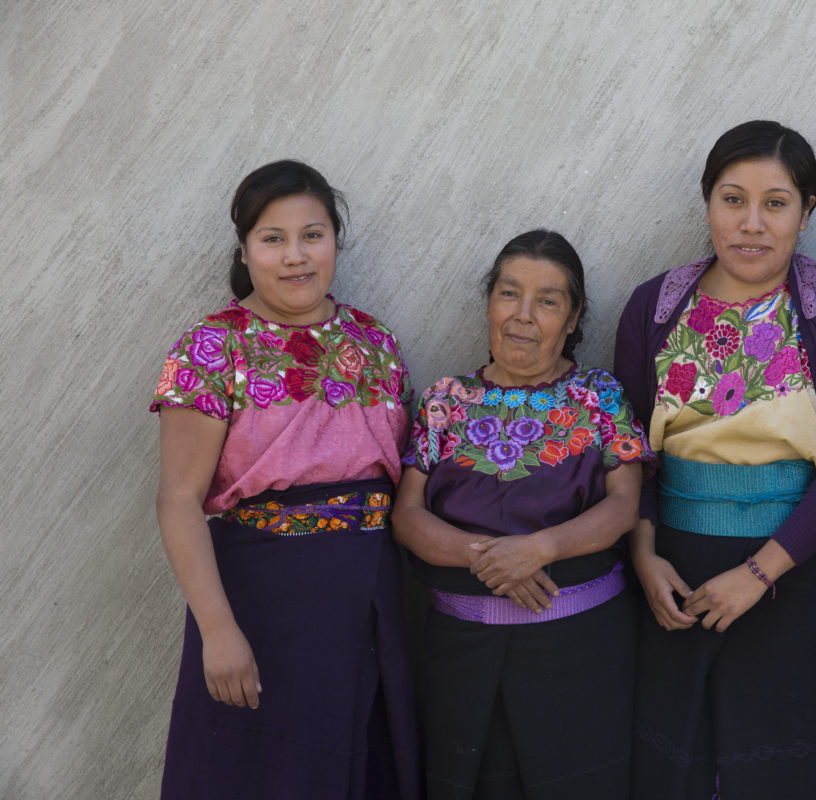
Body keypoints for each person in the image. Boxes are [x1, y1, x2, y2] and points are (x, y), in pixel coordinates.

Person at [614, 120, 816, 799]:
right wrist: (644, 556)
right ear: (707, 203)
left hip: (802, 574)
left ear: (807, 211)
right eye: (733, 199)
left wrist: (758, 574)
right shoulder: (656, 306)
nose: (752, 223)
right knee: (681, 766)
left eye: (777, 203)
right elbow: (628, 453)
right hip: (676, 583)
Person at [150, 160, 420, 798]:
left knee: (363, 766)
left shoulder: (374, 341)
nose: (296, 256)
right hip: (263, 605)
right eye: (273, 239)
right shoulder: (212, 348)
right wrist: (218, 630)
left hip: (371, 595)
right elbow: (178, 500)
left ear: (336, 239)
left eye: (313, 234)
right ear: (245, 249)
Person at [394, 229, 653, 799]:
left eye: (549, 300)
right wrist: (483, 556)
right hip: (461, 655)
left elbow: (623, 505)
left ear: (573, 315)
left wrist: (540, 549)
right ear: (489, 302)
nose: (524, 316)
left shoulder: (598, 396)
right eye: (509, 294)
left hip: (582, 652)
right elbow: (407, 514)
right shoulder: (445, 399)